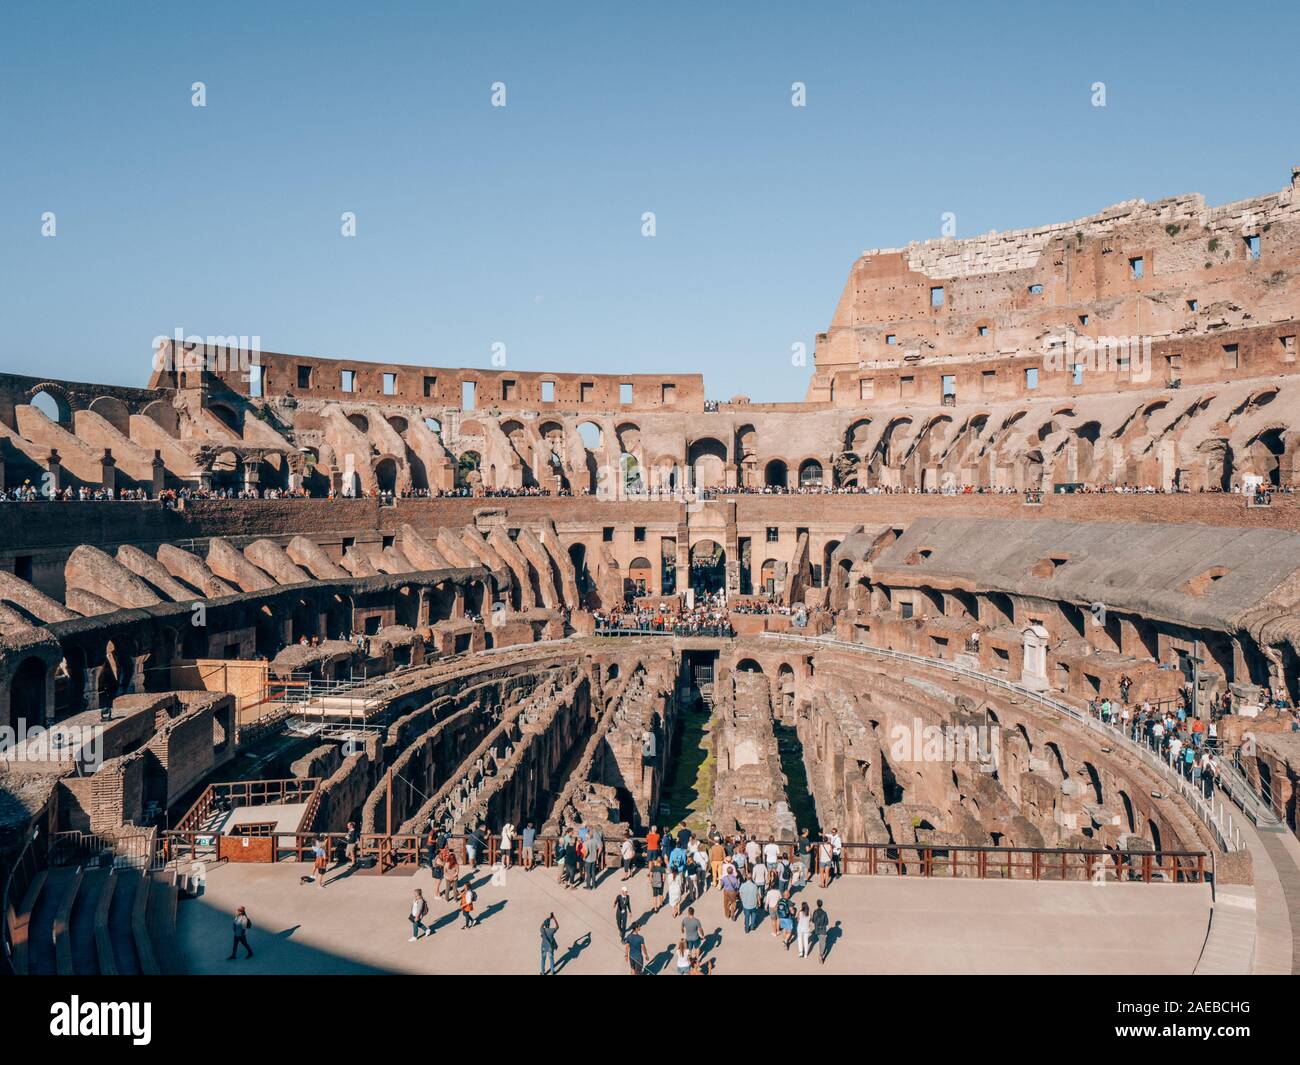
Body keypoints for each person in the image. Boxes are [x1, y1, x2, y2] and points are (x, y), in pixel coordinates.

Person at [811, 899, 830, 963]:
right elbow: (827, 922)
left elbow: (813, 921)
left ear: (817, 904)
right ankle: (821, 955)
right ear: (822, 904)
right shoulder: (824, 913)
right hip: (823, 929)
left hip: (817, 929)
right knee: (823, 943)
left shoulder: (815, 912)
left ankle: (820, 954)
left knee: (821, 941)